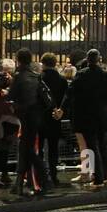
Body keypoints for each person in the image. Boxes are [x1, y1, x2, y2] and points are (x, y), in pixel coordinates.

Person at [64, 49, 107, 189]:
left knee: (92, 146)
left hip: (87, 115)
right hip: (101, 114)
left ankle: (98, 178)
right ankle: (105, 175)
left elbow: (70, 93)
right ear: (99, 59)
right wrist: (105, 102)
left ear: (88, 60)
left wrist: (63, 107)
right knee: (102, 145)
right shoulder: (106, 75)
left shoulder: (81, 75)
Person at [7, 49, 52, 196]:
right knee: (26, 150)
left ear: (18, 59)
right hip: (36, 117)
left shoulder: (18, 76)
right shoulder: (36, 76)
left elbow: (11, 97)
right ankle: (19, 184)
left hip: (24, 117)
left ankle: (43, 178)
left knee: (27, 150)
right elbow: (46, 100)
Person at [39, 52, 68, 186]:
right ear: (55, 63)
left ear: (42, 63)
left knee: (39, 148)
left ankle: (40, 175)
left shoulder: (39, 78)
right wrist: (61, 111)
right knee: (53, 148)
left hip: (41, 116)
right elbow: (66, 97)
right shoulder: (62, 80)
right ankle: (53, 174)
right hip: (56, 116)